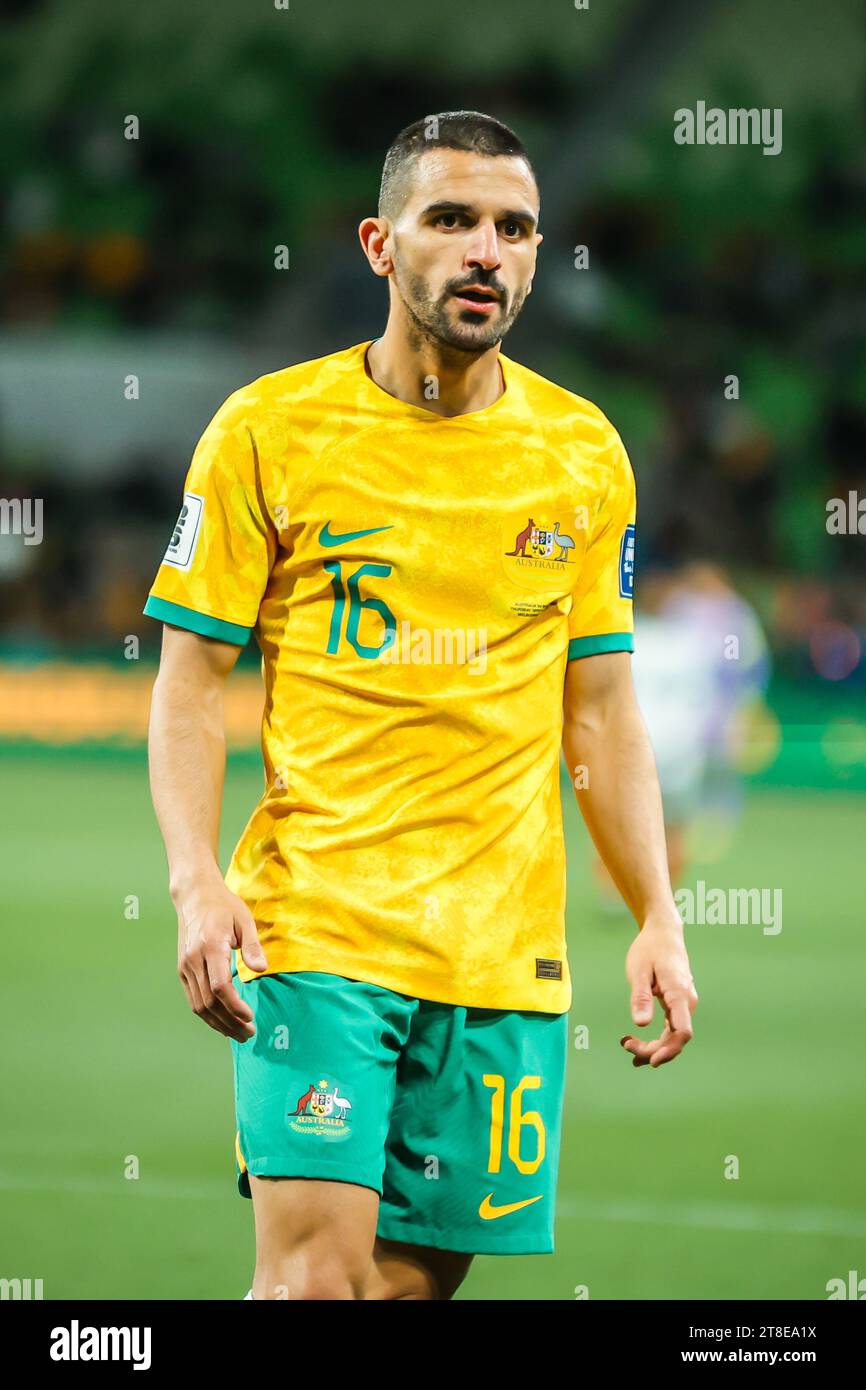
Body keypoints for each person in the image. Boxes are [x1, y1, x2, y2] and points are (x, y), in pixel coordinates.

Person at [145, 110, 698, 1302]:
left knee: (404, 1289)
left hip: (500, 964)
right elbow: (190, 678)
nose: (484, 249)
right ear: (379, 244)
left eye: (512, 226)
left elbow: (598, 709)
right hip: (318, 935)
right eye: (449, 219)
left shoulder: (582, 453)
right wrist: (196, 880)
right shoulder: (269, 430)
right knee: (315, 1284)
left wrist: (654, 911)